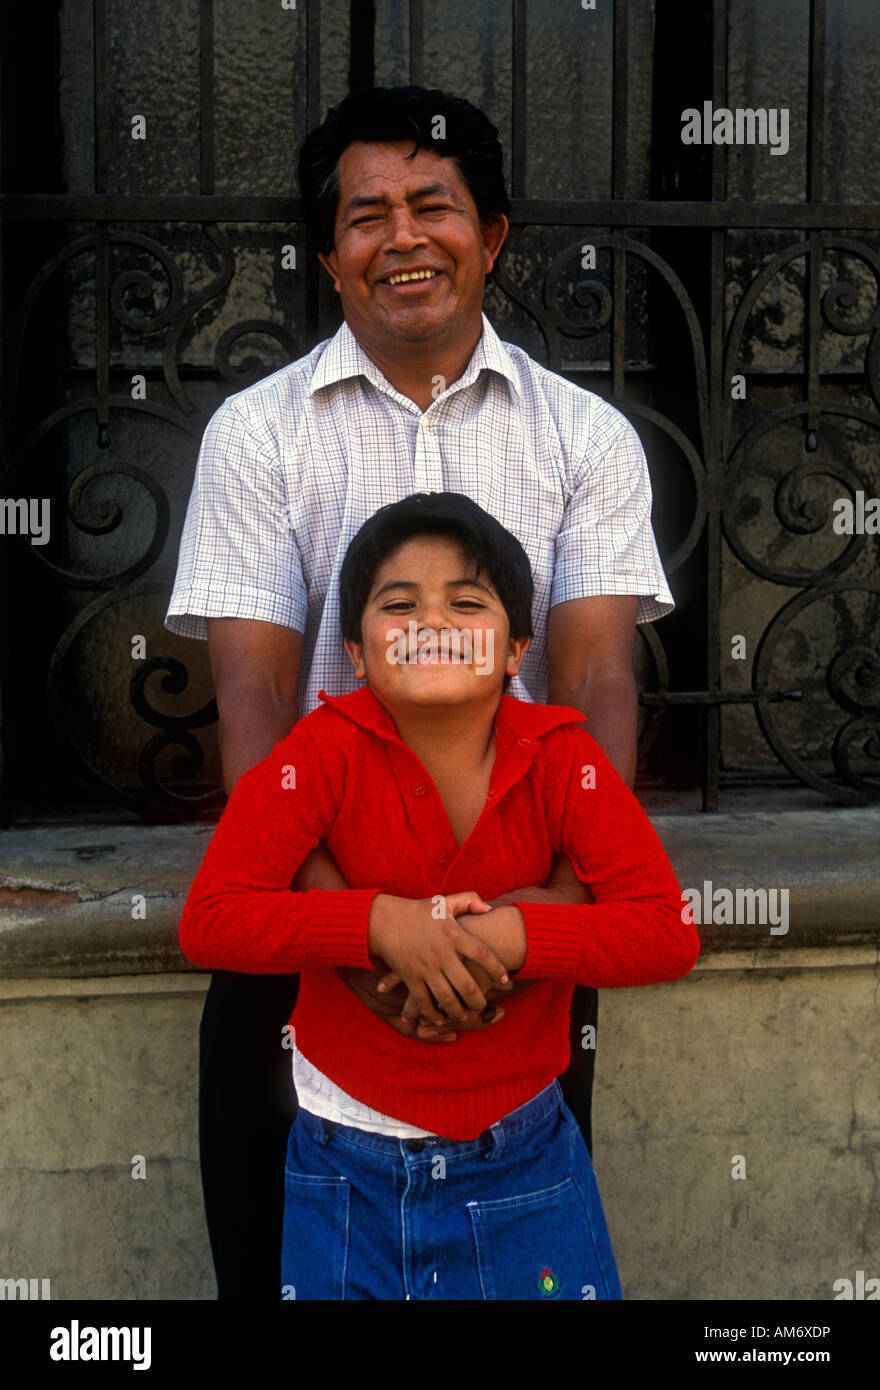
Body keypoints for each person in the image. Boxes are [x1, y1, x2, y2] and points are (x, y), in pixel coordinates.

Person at [166, 84, 674, 1299]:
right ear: (331, 255)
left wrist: (543, 917)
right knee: (282, 1252)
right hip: (303, 913)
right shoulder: (257, 432)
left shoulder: (585, 436)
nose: (401, 236)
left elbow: (598, 672)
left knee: (515, 1253)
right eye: (366, 213)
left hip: (525, 936)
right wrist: (355, 931)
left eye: (433, 205)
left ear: (490, 236)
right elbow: (257, 692)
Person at [178, 493, 698, 1301]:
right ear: (354, 650)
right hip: (342, 1166)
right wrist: (380, 925)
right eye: (398, 604)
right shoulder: (316, 755)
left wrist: (516, 938)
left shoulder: (565, 760)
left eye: (466, 601)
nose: (433, 621)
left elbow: (665, 932)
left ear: (516, 647)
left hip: (526, 1170)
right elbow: (212, 921)